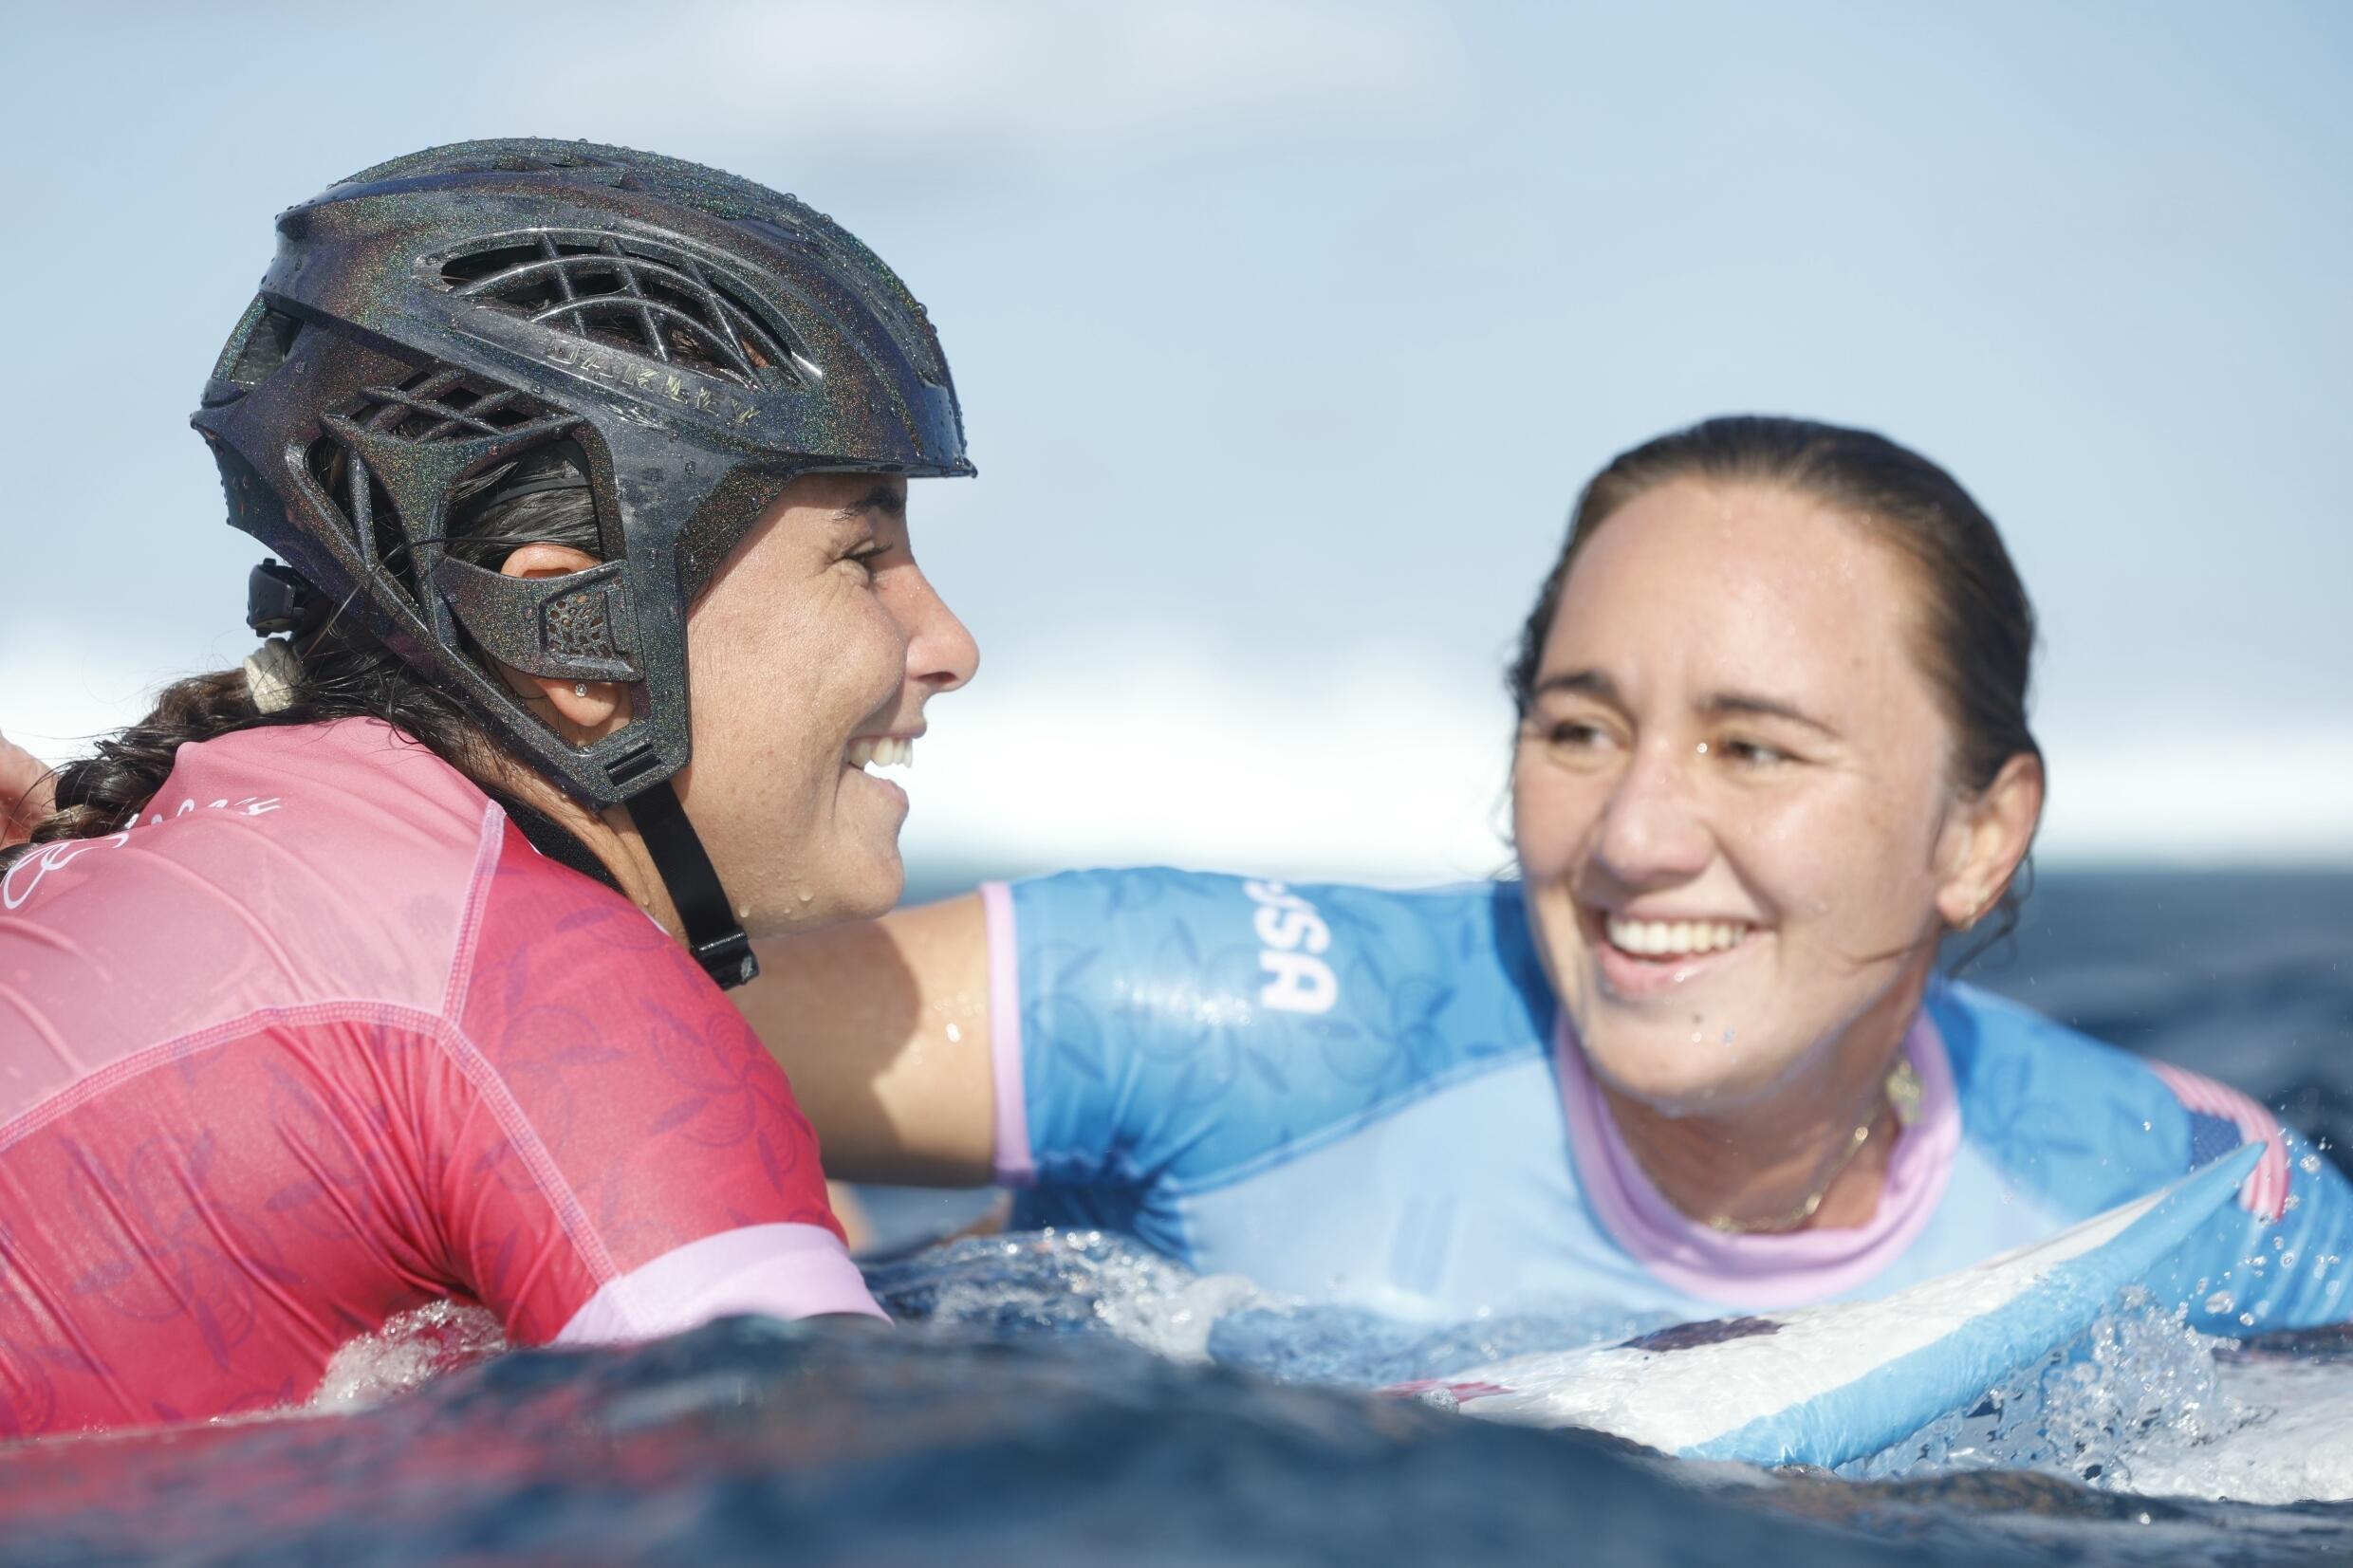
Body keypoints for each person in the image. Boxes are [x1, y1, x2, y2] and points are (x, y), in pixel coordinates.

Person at [741, 416, 2351, 1334]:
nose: (1634, 836)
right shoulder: (1233, 1020)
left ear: (1979, 835)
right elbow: (592, 1014)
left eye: (1755, 747)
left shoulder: (2180, 1203)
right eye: (1579, 729)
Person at [0, 138, 979, 1437]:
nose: (948, 643)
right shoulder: (555, 1005)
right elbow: (838, 1492)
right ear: (579, 631)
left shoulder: (215, 825)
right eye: (862, 556)